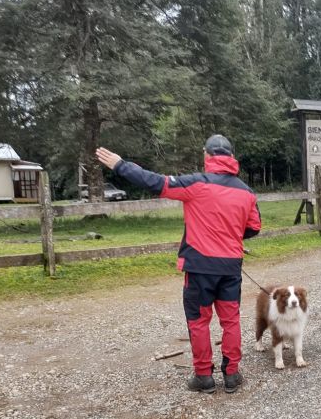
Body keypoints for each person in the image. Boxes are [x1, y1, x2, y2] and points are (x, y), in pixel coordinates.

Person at [95, 135, 261, 395]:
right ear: (232, 157)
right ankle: (231, 374)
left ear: (206, 156)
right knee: (231, 321)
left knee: (199, 322)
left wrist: (120, 165)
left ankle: (204, 376)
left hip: (199, 267)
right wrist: (230, 232)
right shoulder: (246, 192)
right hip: (230, 267)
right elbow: (253, 228)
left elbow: (154, 182)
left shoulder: (195, 183)